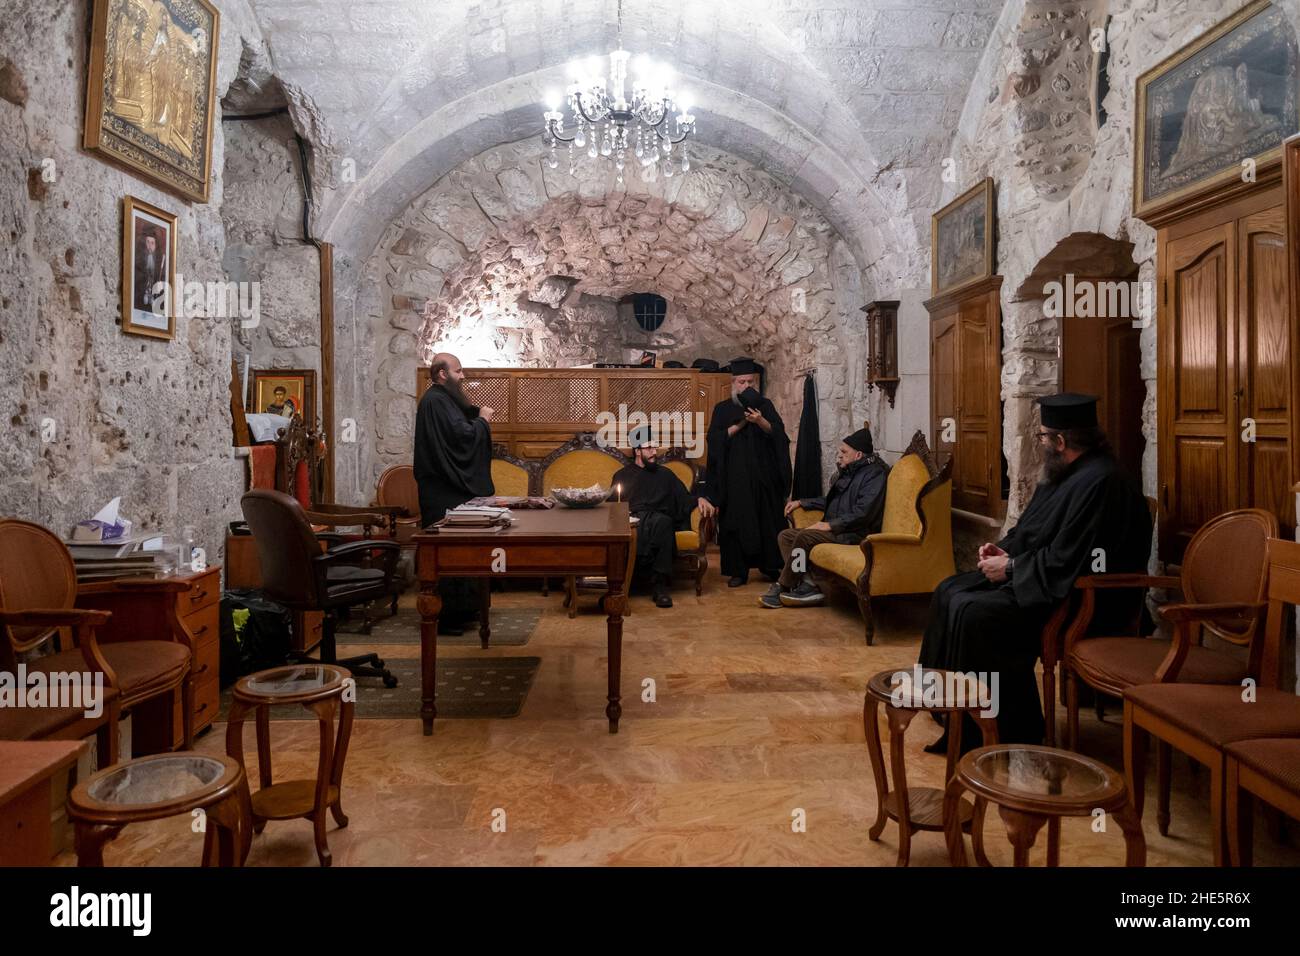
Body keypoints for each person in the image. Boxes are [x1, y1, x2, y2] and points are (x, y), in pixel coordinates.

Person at [918, 393, 1151, 751]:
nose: (1041, 444)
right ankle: (947, 705)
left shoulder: (1103, 482)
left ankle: (1003, 728)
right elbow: (1031, 530)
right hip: (1043, 577)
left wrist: (1011, 568)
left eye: (1043, 437)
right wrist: (1004, 550)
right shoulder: (1063, 474)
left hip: (1081, 598)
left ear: (1061, 441)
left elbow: (1075, 559)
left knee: (977, 613)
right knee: (949, 589)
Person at [761, 428, 889, 609]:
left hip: (856, 533)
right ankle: (808, 584)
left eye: (844, 452)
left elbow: (864, 513)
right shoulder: (849, 472)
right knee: (786, 536)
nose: (839, 456)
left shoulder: (874, 475)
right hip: (841, 529)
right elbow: (831, 501)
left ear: (858, 454)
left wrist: (830, 525)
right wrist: (802, 502)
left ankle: (784, 584)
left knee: (804, 537)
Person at [413, 352, 495, 633]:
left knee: (463, 552)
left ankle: (463, 610)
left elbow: (459, 424)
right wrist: (483, 420)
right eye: (458, 372)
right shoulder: (435, 401)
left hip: (449, 490)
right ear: (442, 374)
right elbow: (461, 437)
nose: (463, 376)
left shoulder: (443, 399)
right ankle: (445, 617)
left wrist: (475, 416)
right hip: (442, 493)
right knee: (447, 555)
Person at [698, 358, 792, 587]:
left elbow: (779, 435)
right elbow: (714, 440)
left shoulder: (766, 406)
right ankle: (737, 571)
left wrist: (760, 421)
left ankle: (769, 565)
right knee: (736, 523)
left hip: (764, 477)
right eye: (742, 382)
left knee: (767, 520)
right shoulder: (722, 408)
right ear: (733, 383)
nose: (746, 386)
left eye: (750, 381)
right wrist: (740, 424)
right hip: (735, 478)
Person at [609, 427, 695, 608]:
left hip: (658, 520)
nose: (654, 452)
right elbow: (612, 507)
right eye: (649, 448)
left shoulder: (666, 475)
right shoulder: (621, 476)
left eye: (655, 447)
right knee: (632, 527)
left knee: (664, 523)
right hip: (632, 520)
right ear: (637, 451)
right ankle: (626, 582)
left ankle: (660, 587)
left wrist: (701, 499)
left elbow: (684, 498)